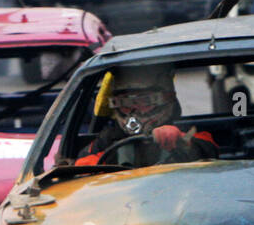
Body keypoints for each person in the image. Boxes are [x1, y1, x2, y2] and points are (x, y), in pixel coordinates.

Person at [74, 65, 217, 167]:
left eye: (144, 102)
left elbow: (210, 151)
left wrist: (182, 142)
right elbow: (80, 167)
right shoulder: (109, 137)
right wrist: (115, 156)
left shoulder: (185, 132)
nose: (134, 110)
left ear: (165, 101)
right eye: (125, 103)